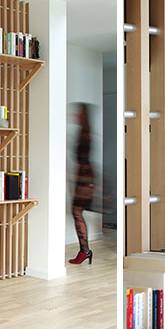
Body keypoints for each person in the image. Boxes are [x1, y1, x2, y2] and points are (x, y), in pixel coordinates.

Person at [69, 103, 95, 264]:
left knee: (77, 211)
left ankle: (85, 251)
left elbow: (83, 159)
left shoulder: (85, 134)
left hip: (85, 178)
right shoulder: (83, 132)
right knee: (77, 212)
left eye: (78, 113)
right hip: (83, 177)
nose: (75, 116)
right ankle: (84, 250)